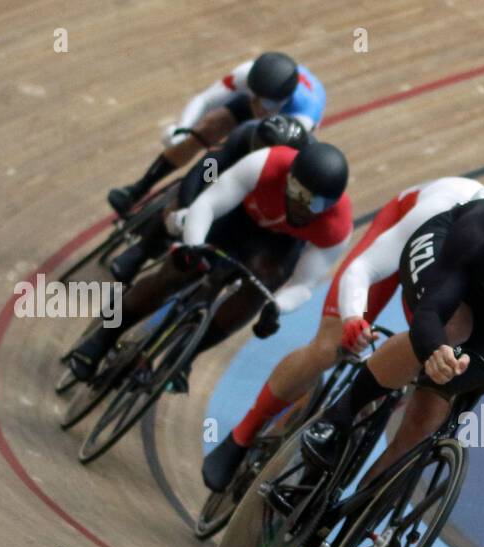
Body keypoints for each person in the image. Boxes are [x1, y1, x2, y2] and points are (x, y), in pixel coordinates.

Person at [201, 176, 484, 492]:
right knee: (329, 347)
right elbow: (364, 269)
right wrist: (352, 319)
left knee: (434, 376)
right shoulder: (436, 212)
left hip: (447, 292)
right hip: (404, 247)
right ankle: (242, 434)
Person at [296, 186, 484, 487]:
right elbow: (430, 313)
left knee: (444, 403)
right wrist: (434, 348)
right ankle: (338, 416)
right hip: (446, 251)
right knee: (453, 330)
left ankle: (352, 523)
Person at [66, 142, 352, 390]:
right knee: (175, 274)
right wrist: (192, 246)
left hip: (276, 246)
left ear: (331, 205)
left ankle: (186, 357)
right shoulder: (265, 163)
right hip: (235, 218)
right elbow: (208, 205)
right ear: (288, 176)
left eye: (314, 204)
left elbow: (303, 284)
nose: (302, 205)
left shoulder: (337, 228)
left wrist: (277, 307)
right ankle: (105, 334)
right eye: (297, 193)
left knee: (259, 291)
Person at [107, 52, 326, 217]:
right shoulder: (247, 74)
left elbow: (268, 159)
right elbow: (205, 100)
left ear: (282, 100)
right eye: (255, 96)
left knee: (239, 165)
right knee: (207, 128)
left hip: (281, 128)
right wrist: (181, 129)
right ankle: (137, 190)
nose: (258, 105)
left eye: (266, 102)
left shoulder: (302, 116)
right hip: (267, 108)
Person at [107, 114, 310, 284]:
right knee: (195, 191)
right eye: (258, 149)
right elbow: (207, 167)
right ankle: (140, 252)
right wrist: (188, 205)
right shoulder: (245, 134)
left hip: (258, 203)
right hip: (226, 178)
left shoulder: (303, 171)